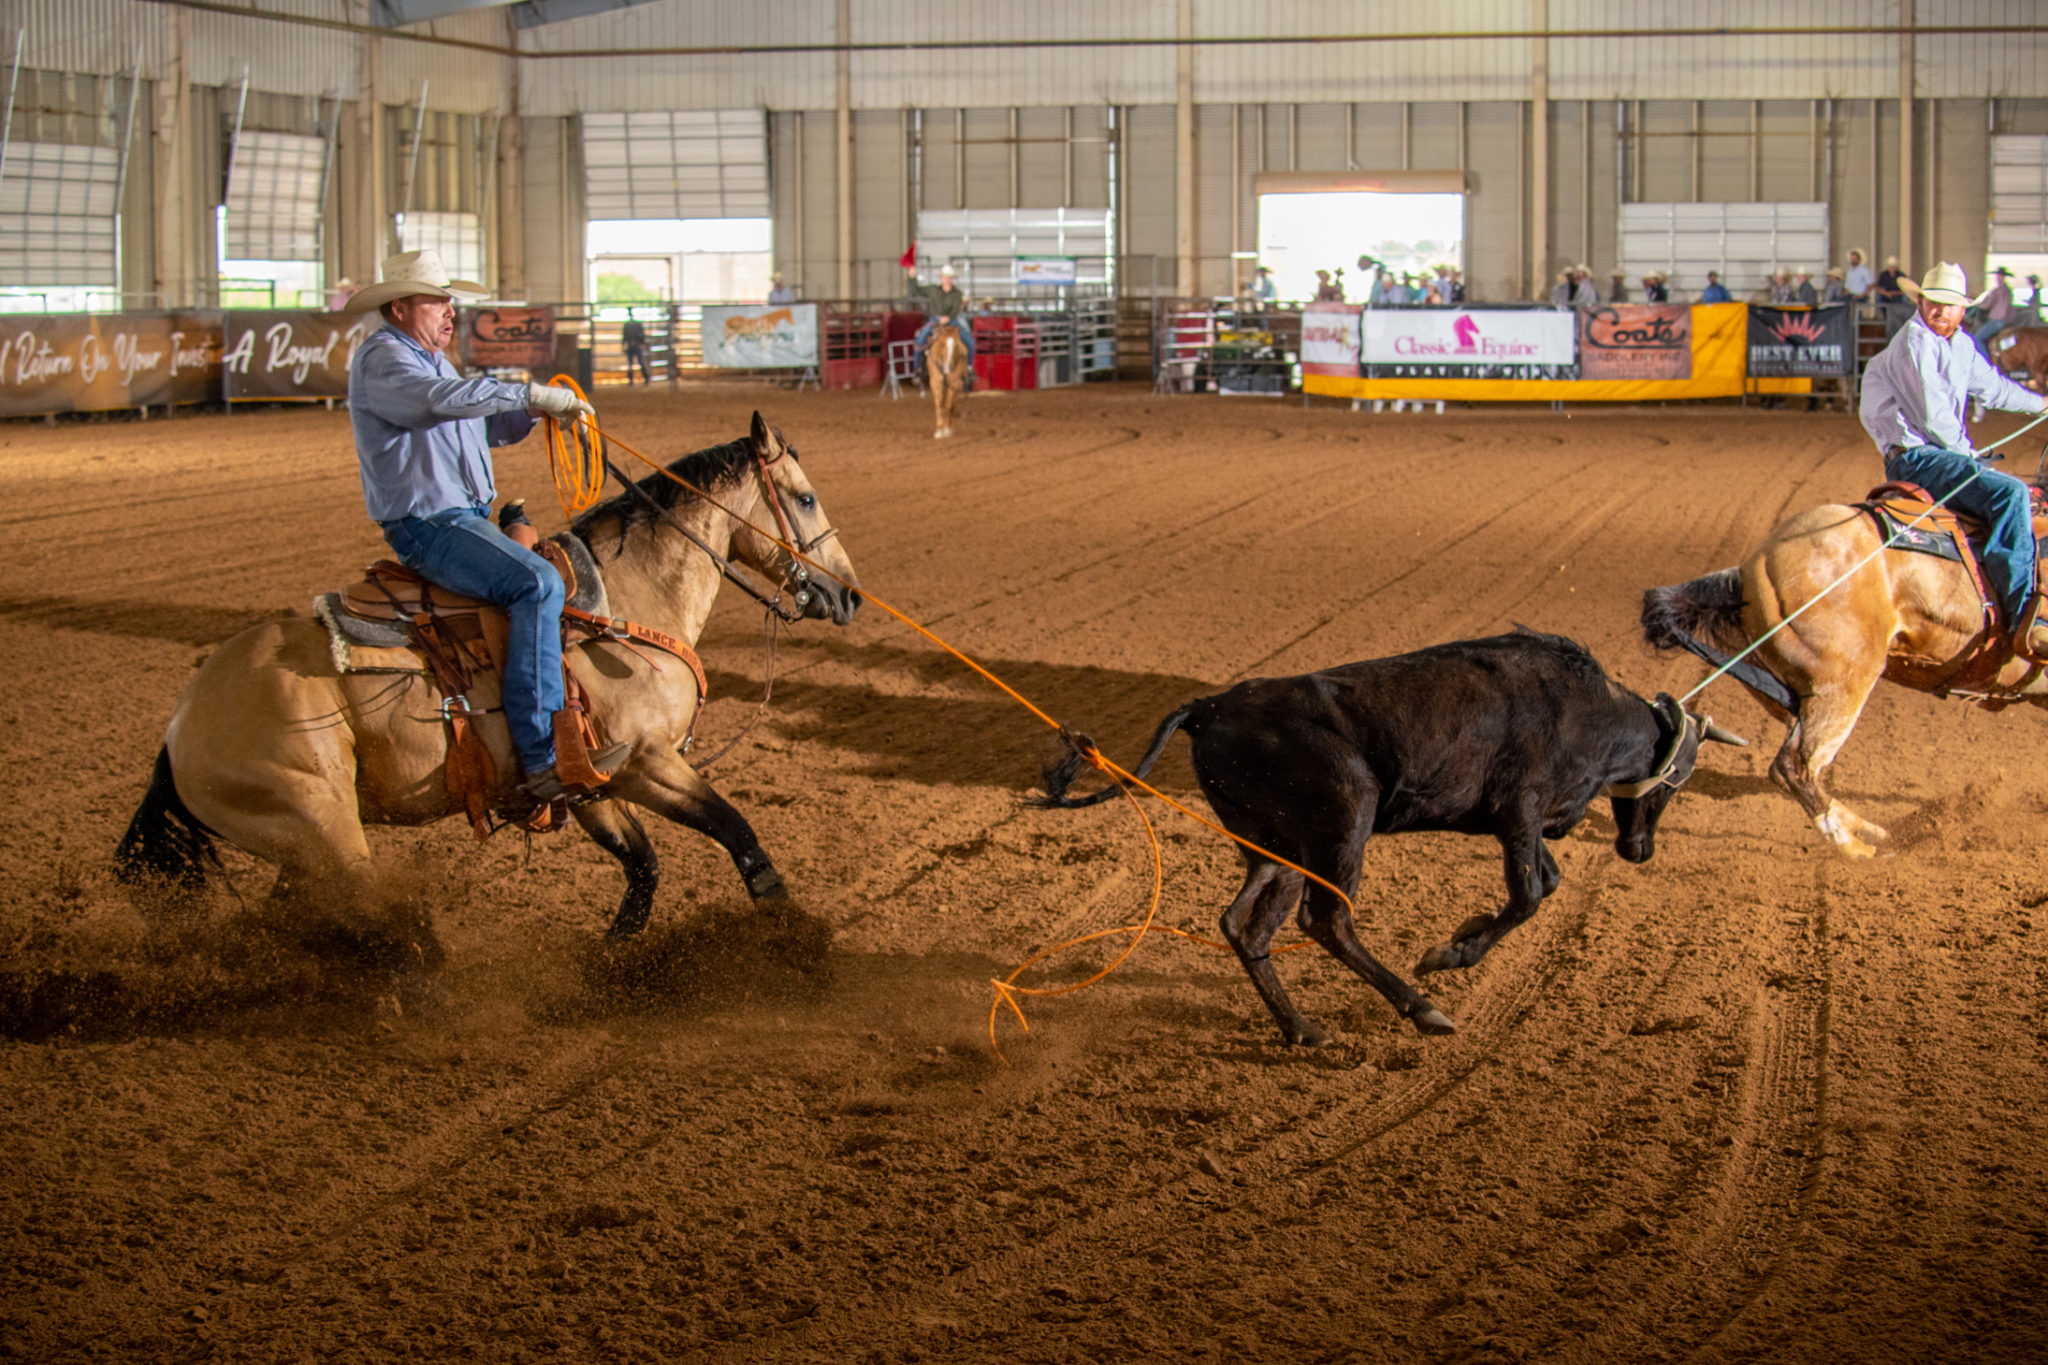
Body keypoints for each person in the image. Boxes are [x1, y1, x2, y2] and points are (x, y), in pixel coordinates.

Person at [343, 249, 615, 805]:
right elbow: (437, 403)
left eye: (450, 300)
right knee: (536, 583)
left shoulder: (430, 362)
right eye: (437, 300)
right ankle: (541, 757)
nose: (450, 311)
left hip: (458, 517)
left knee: (534, 577)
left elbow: (478, 425)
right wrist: (526, 392)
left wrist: (531, 412)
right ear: (398, 307)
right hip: (429, 523)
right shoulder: (384, 361)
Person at [1860, 261, 2048, 658]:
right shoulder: (1914, 341)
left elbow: (1994, 388)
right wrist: (1970, 457)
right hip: (1916, 459)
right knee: (2011, 495)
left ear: (1963, 310)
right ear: (1921, 302)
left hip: (1936, 456)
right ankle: (2020, 615)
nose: (1939, 310)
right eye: (1932, 302)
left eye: (1948, 304)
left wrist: (2042, 403)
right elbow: (1934, 416)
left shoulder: (1960, 345)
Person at [907, 262, 974, 384]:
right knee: (920, 340)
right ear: (941, 278)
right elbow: (916, 291)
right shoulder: (933, 289)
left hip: (952, 321)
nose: (947, 279)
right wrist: (912, 277)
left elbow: (955, 309)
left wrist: (948, 318)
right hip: (935, 320)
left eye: (949, 277)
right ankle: (917, 369)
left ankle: (969, 368)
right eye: (945, 277)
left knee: (970, 342)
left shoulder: (957, 293)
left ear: (952, 279)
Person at [1973, 265, 2017, 353]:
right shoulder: (2009, 291)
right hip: (2005, 321)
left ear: (2000, 277)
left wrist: (1976, 303)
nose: (1997, 278)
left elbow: (1985, 305)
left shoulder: (1996, 291)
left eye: (1998, 276)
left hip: (1996, 321)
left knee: (1977, 338)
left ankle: (1985, 361)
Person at [620, 315, 651, 384]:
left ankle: (632, 380)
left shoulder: (627, 325)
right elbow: (642, 336)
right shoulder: (637, 325)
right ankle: (644, 378)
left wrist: (623, 345)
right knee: (638, 362)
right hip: (635, 346)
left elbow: (624, 336)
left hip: (632, 346)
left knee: (632, 363)